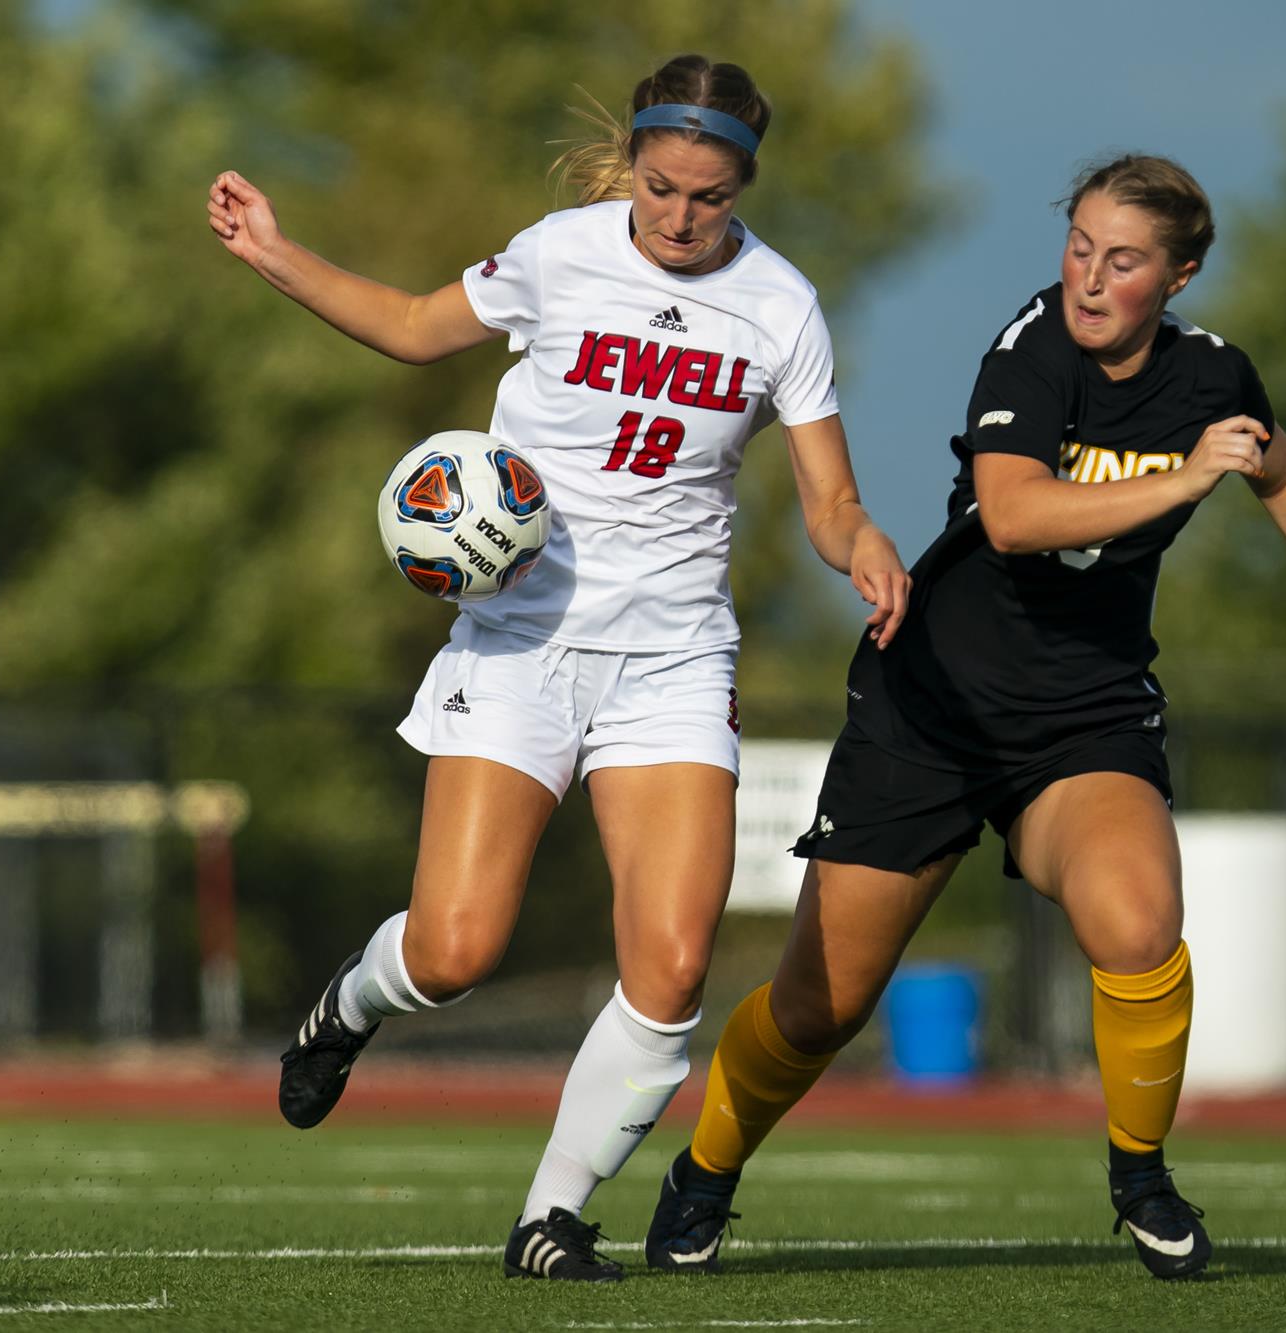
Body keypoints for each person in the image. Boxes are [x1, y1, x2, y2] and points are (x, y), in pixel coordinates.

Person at [639, 154, 1286, 1281]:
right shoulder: (1032, 349)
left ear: (1178, 275)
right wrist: (1178, 482)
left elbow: (1282, 467)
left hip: (1083, 715)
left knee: (1136, 923)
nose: (1086, 277)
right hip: (931, 703)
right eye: (1077, 246)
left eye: (1120, 260)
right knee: (817, 1007)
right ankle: (705, 1172)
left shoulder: (1212, 374)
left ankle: (1139, 1174)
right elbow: (1016, 517)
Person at [206, 54, 910, 1284]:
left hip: (675, 659)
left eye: (707, 195)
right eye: (658, 186)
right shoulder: (560, 251)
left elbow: (830, 500)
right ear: (631, 162)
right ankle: (352, 1005)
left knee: (674, 966)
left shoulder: (781, 306)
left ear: (744, 183)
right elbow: (419, 329)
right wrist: (274, 250)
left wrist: (865, 549)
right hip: (520, 645)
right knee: (455, 952)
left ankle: (554, 1216)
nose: (678, 217)